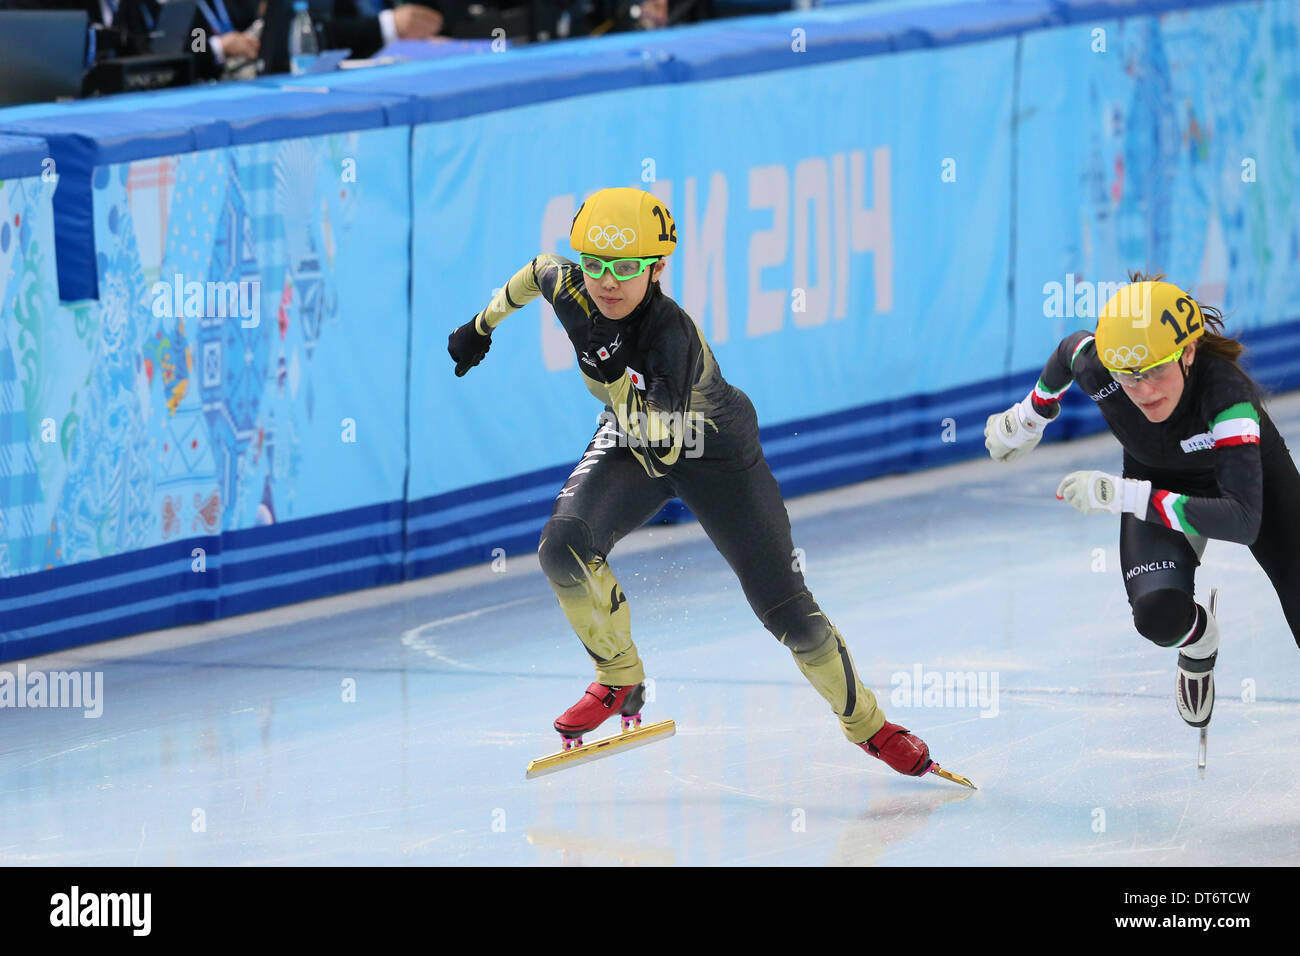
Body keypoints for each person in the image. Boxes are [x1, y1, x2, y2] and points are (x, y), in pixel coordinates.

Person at [447, 187, 946, 780]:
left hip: (711, 450)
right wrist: (481, 326)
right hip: (633, 439)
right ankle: (618, 676)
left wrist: (615, 372)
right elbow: (536, 272)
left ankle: (870, 726)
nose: (607, 282)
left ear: (657, 269)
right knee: (563, 548)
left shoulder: (670, 336)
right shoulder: (573, 284)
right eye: (597, 266)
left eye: (626, 268)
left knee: (787, 612)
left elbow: (664, 432)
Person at [984, 272, 1300, 729]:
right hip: (1158, 480)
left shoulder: (1227, 395)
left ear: (1188, 353)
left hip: (1250, 486)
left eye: (1154, 371)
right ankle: (1200, 639)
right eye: (1128, 377)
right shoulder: (1100, 366)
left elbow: (1243, 519)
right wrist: (1030, 414)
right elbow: (1070, 351)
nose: (1143, 390)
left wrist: (1128, 496)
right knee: (1158, 617)